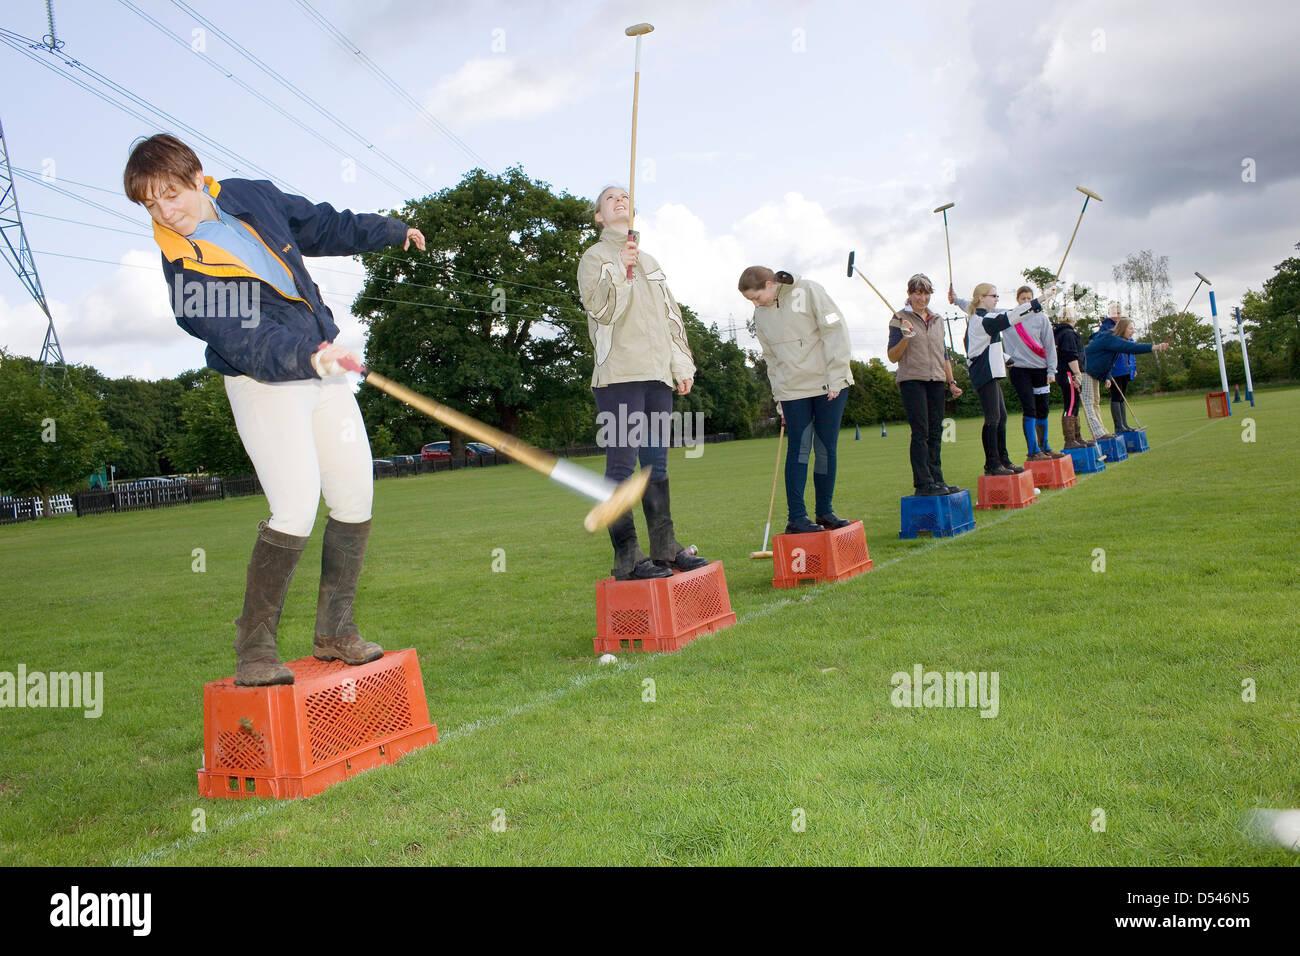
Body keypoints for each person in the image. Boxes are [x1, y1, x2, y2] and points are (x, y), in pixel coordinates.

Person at [123, 133, 426, 686]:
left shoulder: (251, 195)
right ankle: (255, 650)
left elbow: (321, 224)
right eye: (151, 204)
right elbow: (247, 341)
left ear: (196, 176)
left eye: (171, 194)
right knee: (295, 507)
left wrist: (388, 229)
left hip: (320, 367)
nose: (166, 212)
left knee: (355, 496)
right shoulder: (184, 272)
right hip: (265, 380)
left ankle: (336, 632)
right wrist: (308, 357)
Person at [577, 185, 708, 580]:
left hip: (656, 377)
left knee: (656, 465)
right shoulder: (595, 257)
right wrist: (620, 268)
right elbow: (601, 310)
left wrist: (680, 364)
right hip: (619, 376)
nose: (620, 201)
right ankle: (628, 557)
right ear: (599, 216)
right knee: (621, 465)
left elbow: (670, 318)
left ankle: (665, 548)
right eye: (610, 199)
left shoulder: (650, 260)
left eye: (625, 198)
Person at [738, 265, 854, 533]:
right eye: (750, 301)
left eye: (756, 297)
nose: (755, 304)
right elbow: (770, 357)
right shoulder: (761, 313)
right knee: (798, 450)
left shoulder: (810, 290)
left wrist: (837, 376)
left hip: (828, 384)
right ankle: (797, 518)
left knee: (825, 448)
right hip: (792, 389)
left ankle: (825, 512)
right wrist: (779, 394)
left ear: (769, 284)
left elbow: (835, 331)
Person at [949, 281, 1058, 476]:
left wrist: (1006, 358)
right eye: (994, 296)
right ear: (982, 298)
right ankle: (992, 464)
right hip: (984, 371)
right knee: (993, 418)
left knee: (1001, 416)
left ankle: (1003, 460)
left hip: (991, 369)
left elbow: (988, 346)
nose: (997, 299)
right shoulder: (984, 319)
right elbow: (1012, 316)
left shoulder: (982, 317)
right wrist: (1041, 298)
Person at [885, 273, 963, 496]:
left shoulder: (937, 319)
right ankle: (923, 483)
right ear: (909, 294)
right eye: (918, 292)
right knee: (921, 432)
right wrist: (906, 337)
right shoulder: (899, 318)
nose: (922, 297)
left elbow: (944, 354)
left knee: (936, 431)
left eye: (926, 292)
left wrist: (952, 381)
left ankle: (937, 479)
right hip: (912, 380)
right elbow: (892, 356)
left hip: (936, 380)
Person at [1083, 310, 1169, 440]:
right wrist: (1156, 347)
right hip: (1083, 369)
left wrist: (1107, 376)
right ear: (1123, 329)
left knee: (1095, 402)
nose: (1133, 331)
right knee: (1089, 402)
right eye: (1131, 329)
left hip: (1093, 371)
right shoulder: (1111, 338)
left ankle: (1101, 431)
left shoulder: (1114, 340)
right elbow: (1132, 347)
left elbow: (1105, 360)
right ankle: (1098, 433)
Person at [1002, 285, 1064, 461]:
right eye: (1023, 299)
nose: (1027, 302)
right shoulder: (1010, 317)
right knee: (1030, 408)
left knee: (1043, 409)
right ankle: (1033, 451)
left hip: (1041, 369)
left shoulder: (1042, 318)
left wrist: (1052, 370)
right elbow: (982, 312)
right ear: (1018, 300)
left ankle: (1044, 446)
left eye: (1030, 298)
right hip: (1019, 370)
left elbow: (1050, 346)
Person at [1051, 305, 1095, 448]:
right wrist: (1077, 373)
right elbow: (1070, 355)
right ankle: (1070, 440)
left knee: (1074, 404)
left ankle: (1077, 437)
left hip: (1064, 373)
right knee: (1070, 405)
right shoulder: (1068, 334)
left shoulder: (1058, 333)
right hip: (1069, 373)